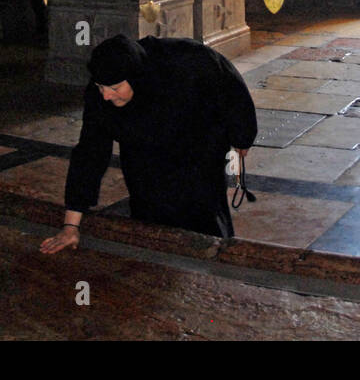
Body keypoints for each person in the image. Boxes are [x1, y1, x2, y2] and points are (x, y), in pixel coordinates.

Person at [40, 34, 258, 253]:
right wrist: (70, 226)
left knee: (200, 205)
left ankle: (216, 253)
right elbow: (90, 153)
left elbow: (230, 85)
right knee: (147, 202)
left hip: (197, 137)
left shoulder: (185, 62)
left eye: (115, 88)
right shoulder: (102, 93)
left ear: (135, 78)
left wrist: (242, 135)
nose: (106, 95)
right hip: (142, 144)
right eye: (100, 87)